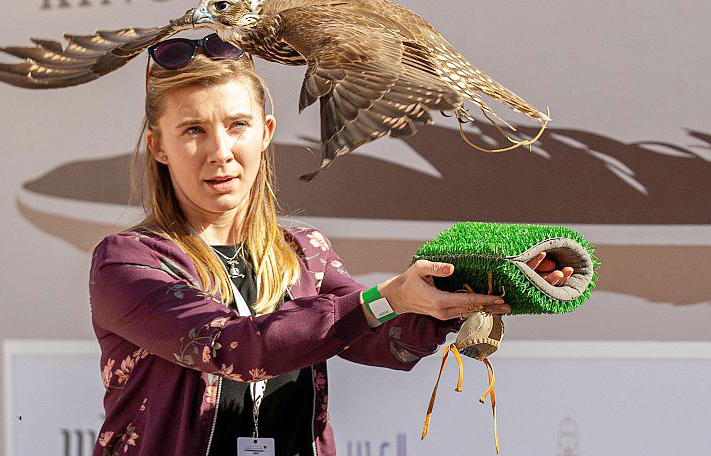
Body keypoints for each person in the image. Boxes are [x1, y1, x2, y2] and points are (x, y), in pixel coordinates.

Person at [88, 34, 574, 456]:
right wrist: (385, 298)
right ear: (158, 147)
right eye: (193, 130)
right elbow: (235, 348)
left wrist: (452, 293)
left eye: (238, 125)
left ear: (265, 134)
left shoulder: (304, 250)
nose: (220, 151)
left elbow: (382, 339)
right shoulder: (127, 260)